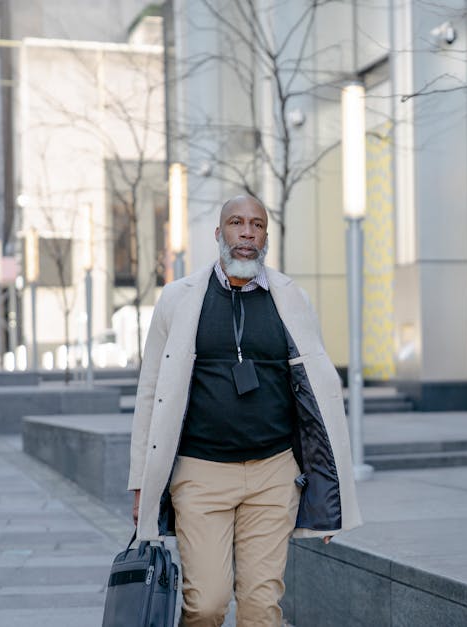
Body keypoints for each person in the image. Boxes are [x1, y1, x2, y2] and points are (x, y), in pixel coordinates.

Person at [128, 195, 362, 627]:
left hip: (273, 475)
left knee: (260, 609)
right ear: (219, 234)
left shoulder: (291, 298)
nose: (247, 233)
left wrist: (332, 495)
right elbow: (150, 393)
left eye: (257, 225)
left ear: (266, 237)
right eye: (237, 223)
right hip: (200, 474)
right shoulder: (179, 299)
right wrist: (141, 483)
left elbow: (318, 396)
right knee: (205, 606)